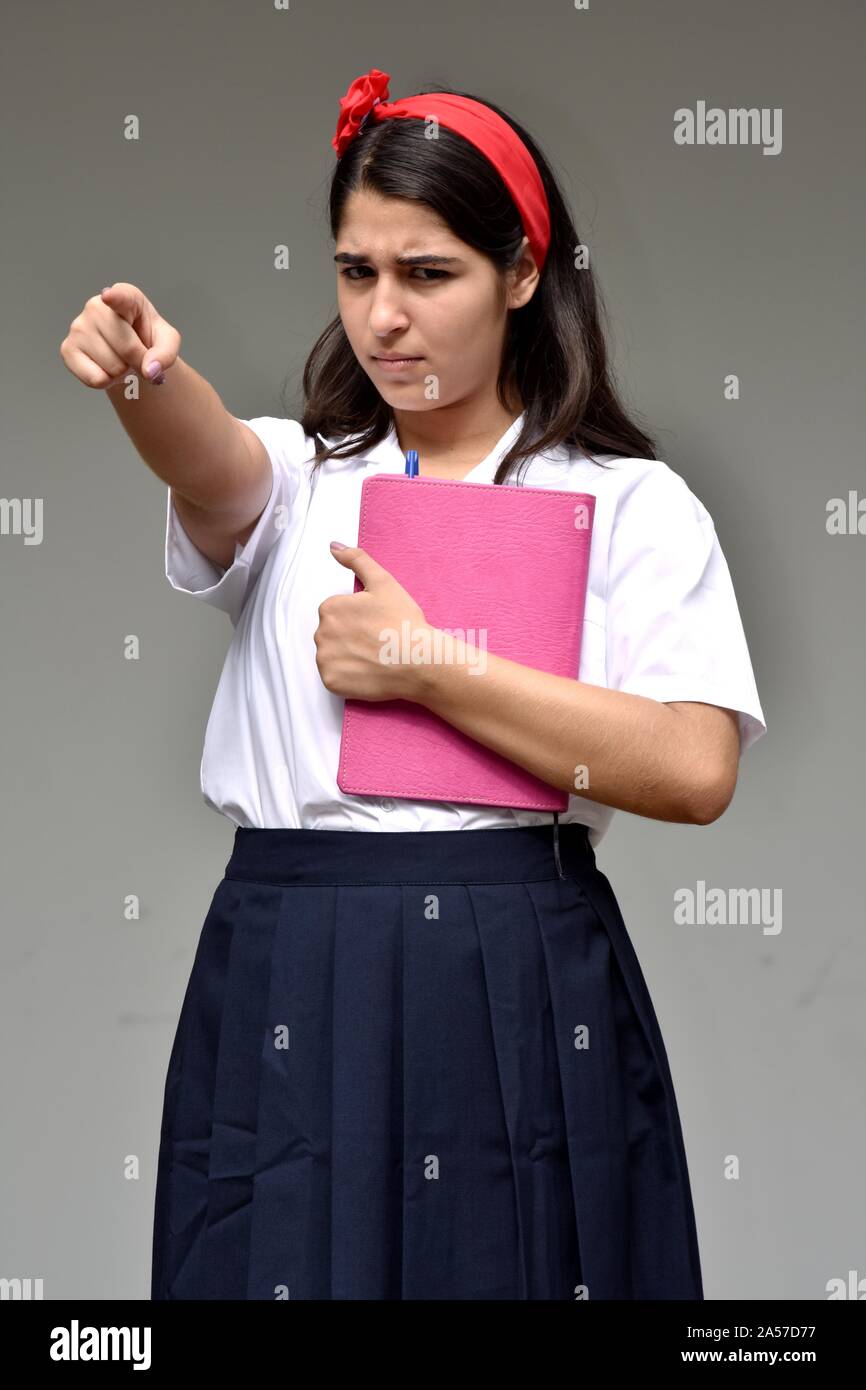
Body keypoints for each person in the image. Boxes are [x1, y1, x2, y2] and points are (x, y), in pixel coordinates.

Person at [60, 68, 766, 1301]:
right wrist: (140, 380)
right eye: (354, 271)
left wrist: (426, 665)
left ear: (524, 272)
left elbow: (695, 767)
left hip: (517, 964)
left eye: (426, 274)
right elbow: (211, 458)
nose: (382, 316)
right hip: (291, 958)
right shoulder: (297, 482)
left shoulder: (626, 502)